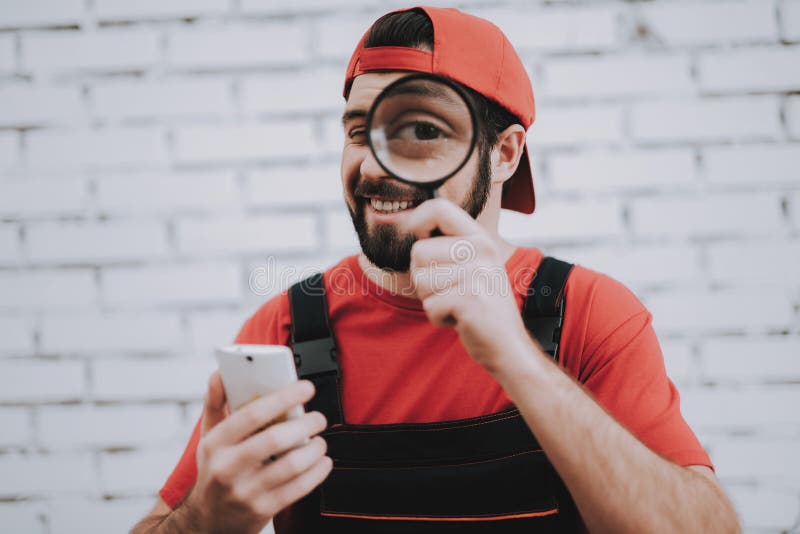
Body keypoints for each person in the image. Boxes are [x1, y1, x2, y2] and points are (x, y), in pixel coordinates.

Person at [132, 6, 740, 533]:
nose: (373, 165)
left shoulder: (590, 314)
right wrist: (207, 519)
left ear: (503, 154)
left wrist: (517, 357)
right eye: (357, 130)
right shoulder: (284, 329)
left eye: (420, 130)